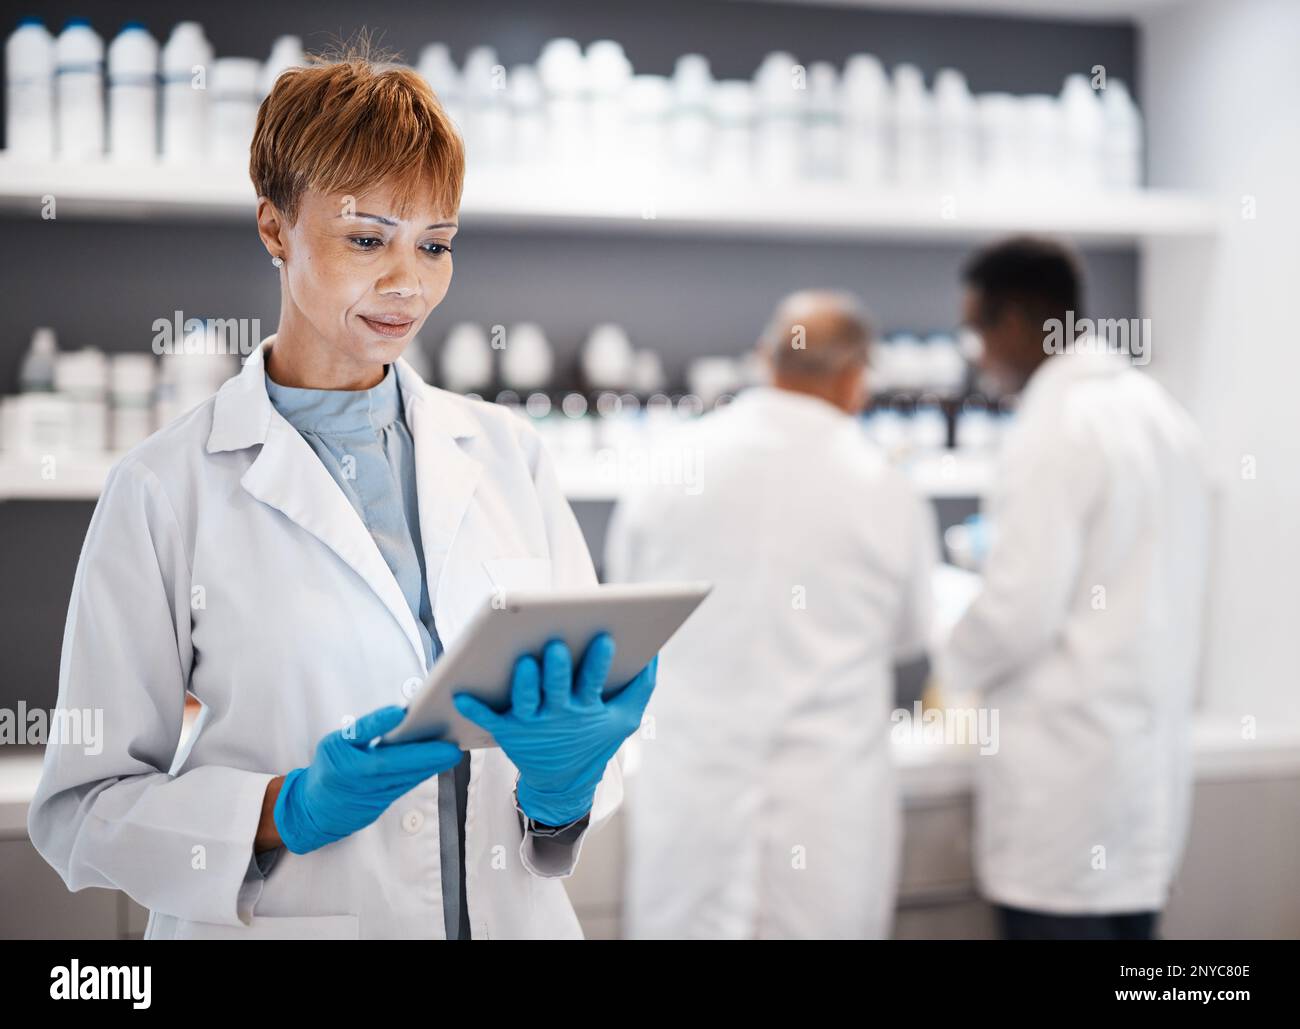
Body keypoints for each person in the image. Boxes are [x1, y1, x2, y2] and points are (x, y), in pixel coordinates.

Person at [27, 46, 655, 941]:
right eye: (368, 238)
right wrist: (284, 808)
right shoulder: (166, 490)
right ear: (275, 229)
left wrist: (563, 792)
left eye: (435, 245)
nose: (409, 282)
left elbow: (573, 776)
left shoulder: (510, 454)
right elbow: (81, 810)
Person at [607, 290, 936, 939]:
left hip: (693, 798)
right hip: (826, 809)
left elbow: (627, 610)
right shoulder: (883, 485)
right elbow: (911, 635)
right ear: (855, 375)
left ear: (763, 359)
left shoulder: (672, 464)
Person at [940, 236, 1211, 940]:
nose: (975, 351)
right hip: (1141, 782)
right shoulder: (1161, 414)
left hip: (1063, 791)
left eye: (978, 327)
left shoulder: (1053, 425)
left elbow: (1017, 612)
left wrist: (949, 662)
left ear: (1017, 319)